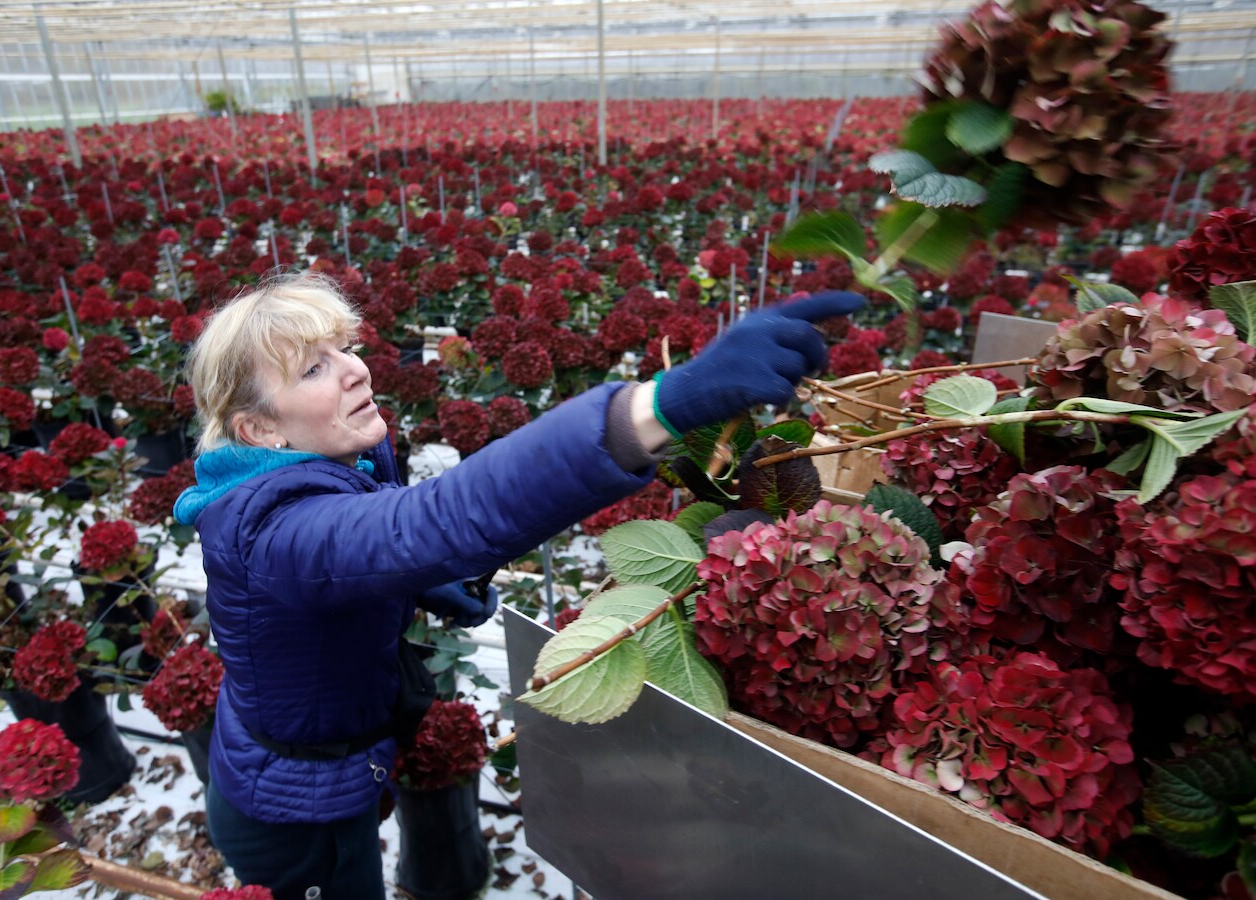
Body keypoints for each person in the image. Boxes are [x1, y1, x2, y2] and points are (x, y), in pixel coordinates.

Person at [174, 272, 863, 898]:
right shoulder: (272, 533)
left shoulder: (315, 465)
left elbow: (360, 544)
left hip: (324, 768)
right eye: (314, 368)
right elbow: (427, 522)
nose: (356, 369)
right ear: (259, 428)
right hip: (293, 817)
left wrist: (419, 587)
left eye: (345, 347)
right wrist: (662, 405)